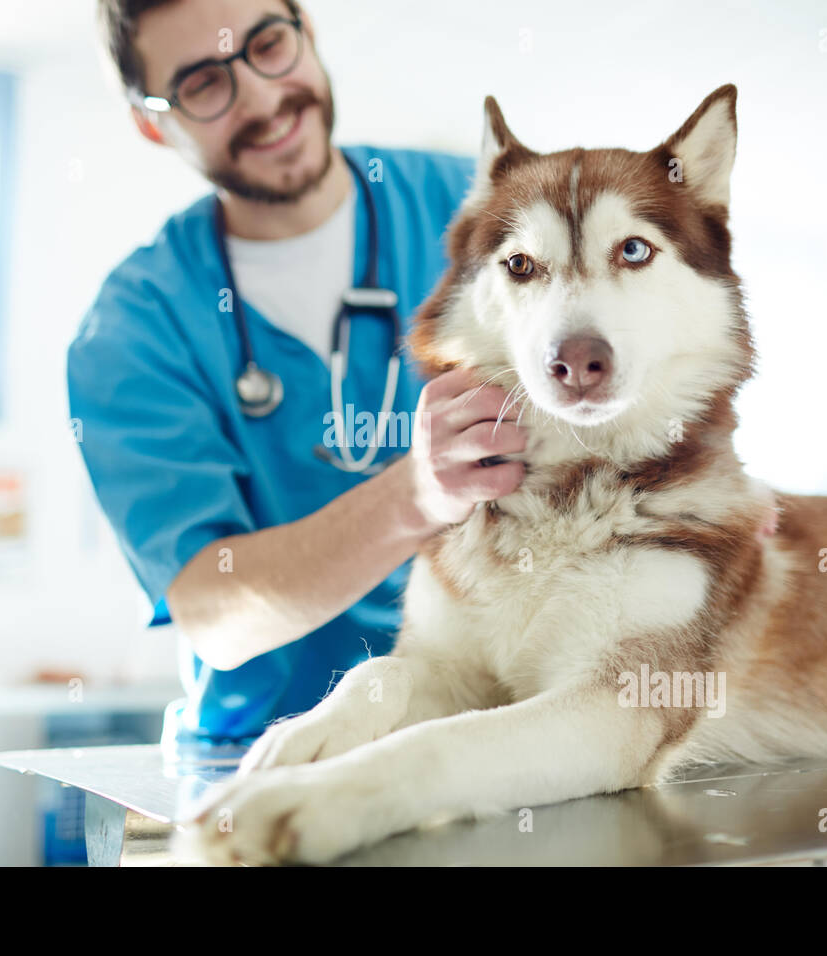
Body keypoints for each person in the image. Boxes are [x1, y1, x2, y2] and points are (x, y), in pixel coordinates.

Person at [68, 0, 527, 756]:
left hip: (488, 731)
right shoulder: (133, 329)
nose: (259, 96)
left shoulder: (480, 208)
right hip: (264, 756)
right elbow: (213, 614)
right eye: (203, 84)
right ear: (153, 122)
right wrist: (416, 492)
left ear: (306, 33)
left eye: (268, 44)